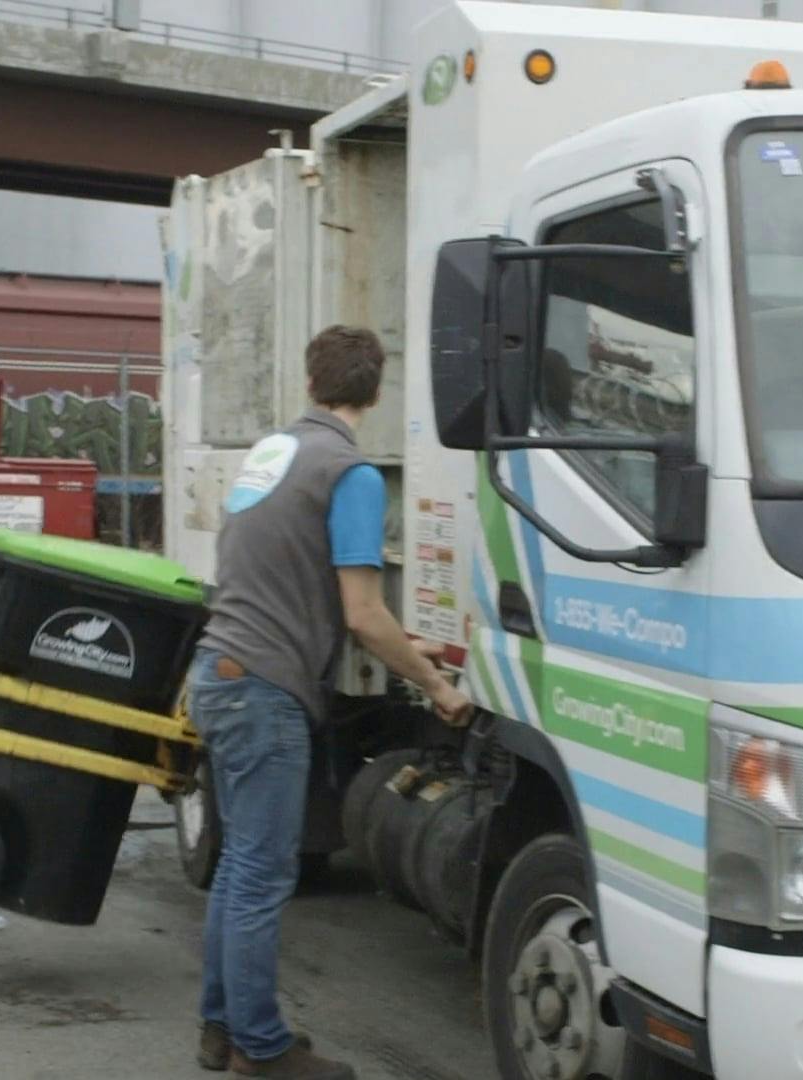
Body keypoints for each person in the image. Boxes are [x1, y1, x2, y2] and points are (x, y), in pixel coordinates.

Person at [189, 325, 473, 1079]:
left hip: (219, 670)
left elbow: (293, 583)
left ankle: (222, 1029)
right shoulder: (350, 474)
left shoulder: (272, 455)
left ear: (311, 382)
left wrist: (406, 644)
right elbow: (360, 614)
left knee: (238, 865)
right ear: (376, 392)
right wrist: (436, 684)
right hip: (263, 689)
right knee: (259, 872)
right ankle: (260, 1046)